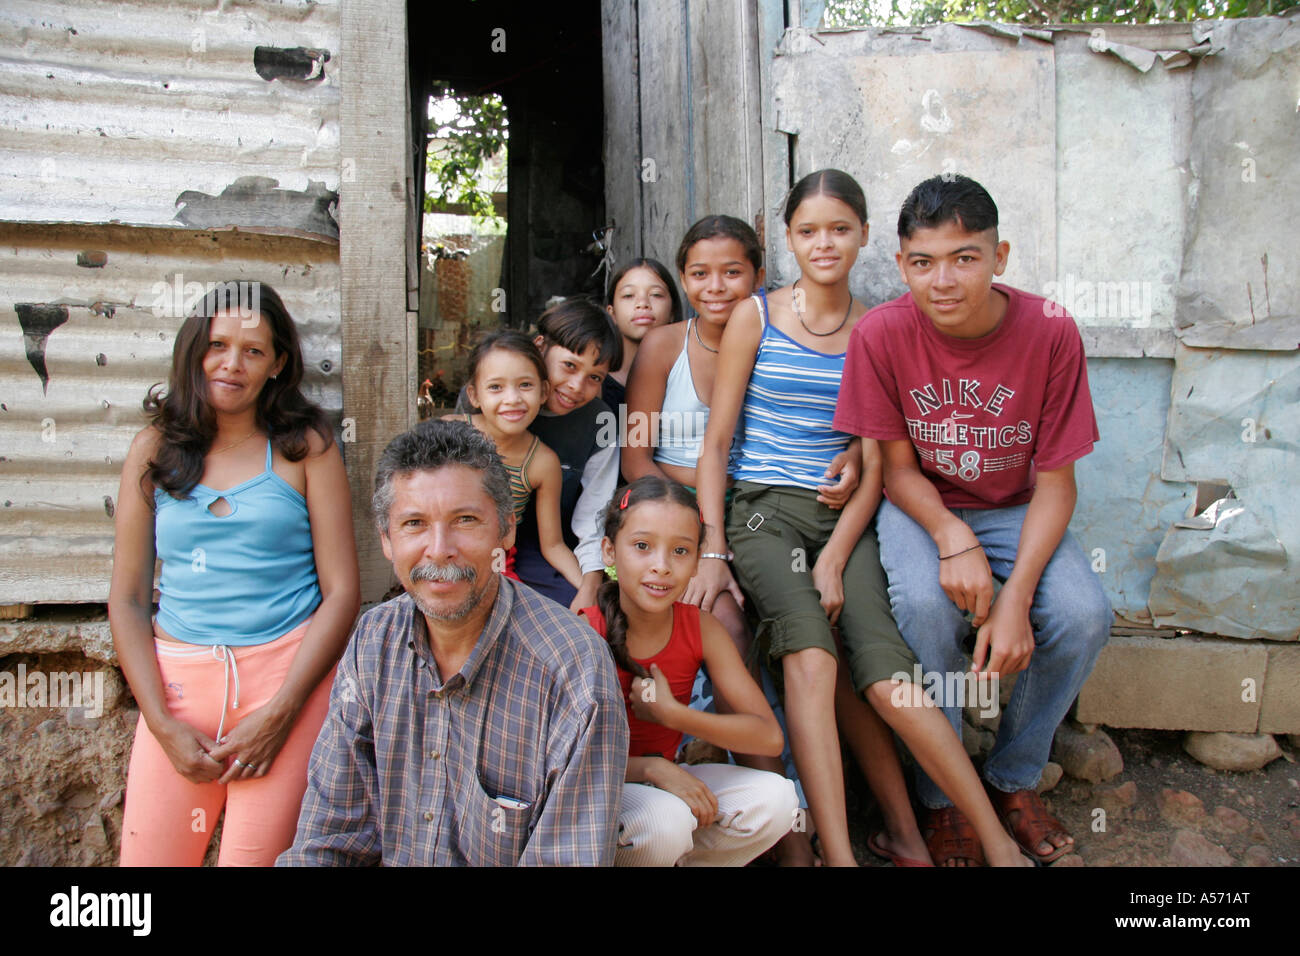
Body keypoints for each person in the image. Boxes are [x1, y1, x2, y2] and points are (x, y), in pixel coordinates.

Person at [696, 170, 1032, 867]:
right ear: (787, 240)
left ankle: (994, 845)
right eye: (809, 230)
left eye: (840, 229)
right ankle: (839, 857)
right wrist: (712, 548)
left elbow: (879, 461)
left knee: (884, 675)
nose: (825, 243)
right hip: (763, 514)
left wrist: (835, 551)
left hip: (850, 519)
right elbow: (718, 443)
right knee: (814, 659)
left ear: (866, 237)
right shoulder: (755, 318)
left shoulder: (881, 327)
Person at [834, 173, 1111, 865]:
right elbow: (895, 470)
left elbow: (1057, 482)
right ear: (901, 264)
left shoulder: (1049, 332)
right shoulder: (880, 333)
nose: (944, 281)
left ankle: (1012, 778)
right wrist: (951, 536)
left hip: (1019, 506)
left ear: (1001, 256)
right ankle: (942, 796)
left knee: (1082, 615)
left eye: (966, 258)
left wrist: (1015, 599)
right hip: (922, 505)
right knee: (925, 608)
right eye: (923, 262)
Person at [280, 419, 629, 866]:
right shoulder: (373, 643)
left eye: (465, 520)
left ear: (505, 530)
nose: (439, 549)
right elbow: (329, 836)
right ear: (387, 540)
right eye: (414, 524)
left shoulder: (573, 667)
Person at [623, 214, 857, 866]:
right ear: (684, 279)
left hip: (756, 519)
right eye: (699, 273)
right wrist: (698, 521)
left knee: (815, 638)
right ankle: (789, 832)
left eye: (733, 272)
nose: (716, 286)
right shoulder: (665, 346)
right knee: (719, 621)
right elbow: (636, 458)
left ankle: (794, 815)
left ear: (759, 275)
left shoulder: (776, 340)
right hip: (673, 519)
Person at [109, 280, 360, 866]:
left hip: (285, 686)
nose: (232, 363)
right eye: (218, 345)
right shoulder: (154, 449)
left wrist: (282, 711)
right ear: (194, 351)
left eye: (253, 351)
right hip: (176, 696)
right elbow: (125, 599)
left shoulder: (306, 447)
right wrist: (160, 721)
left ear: (277, 365)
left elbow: (343, 591)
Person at [579, 477, 797, 866]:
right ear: (609, 551)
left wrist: (674, 714)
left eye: (680, 551)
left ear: (698, 561)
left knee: (777, 799)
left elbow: (767, 737)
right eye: (642, 547)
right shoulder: (582, 629)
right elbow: (556, 757)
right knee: (665, 821)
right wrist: (652, 768)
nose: (661, 566)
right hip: (600, 790)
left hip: (665, 785)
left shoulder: (701, 627)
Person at [510, 299, 624, 611]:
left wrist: (591, 585)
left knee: (584, 614)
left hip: (556, 550)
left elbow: (593, 516)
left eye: (595, 377)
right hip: (489, 548)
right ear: (540, 346)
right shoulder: (499, 401)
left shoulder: (599, 421)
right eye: (570, 366)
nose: (577, 386)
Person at [449, 330, 582, 589]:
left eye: (525, 385)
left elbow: (553, 545)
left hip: (499, 564)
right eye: (496, 387)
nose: (512, 399)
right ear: (474, 395)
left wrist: (589, 590)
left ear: (544, 391)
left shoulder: (541, 462)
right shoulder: (449, 434)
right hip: (443, 552)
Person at [602, 257, 681, 412]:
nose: (642, 303)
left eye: (656, 294)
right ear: (612, 313)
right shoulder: (592, 383)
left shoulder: (687, 379)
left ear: (672, 311)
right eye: (628, 295)